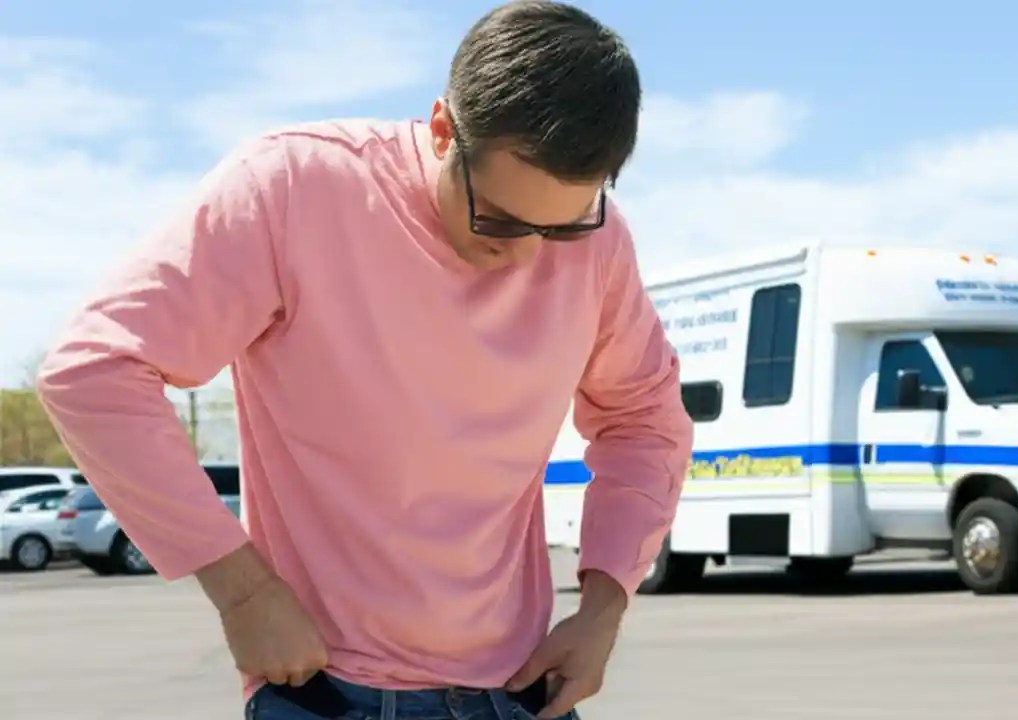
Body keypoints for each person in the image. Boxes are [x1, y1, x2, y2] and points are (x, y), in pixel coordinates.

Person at [36, 2, 693, 718]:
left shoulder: (601, 248)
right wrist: (243, 592)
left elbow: (644, 420)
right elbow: (94, 369)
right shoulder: (295, 187)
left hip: (519, 692)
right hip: (328, 691)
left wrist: (602, 611)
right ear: (443, 129)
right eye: (500, 219)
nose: (527, 255)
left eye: (561, 227)